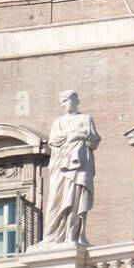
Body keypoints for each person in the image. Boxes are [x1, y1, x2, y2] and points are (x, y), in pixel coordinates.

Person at [44, 90, 101, 246]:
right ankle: (52, 236)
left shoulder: (85, 118)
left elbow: (94, 139)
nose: (63, 104)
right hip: (61, 167)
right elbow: (53, 140)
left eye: (66, 100)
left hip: (80, 167)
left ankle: (72, 235)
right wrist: (73, 134)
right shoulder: (58, 122)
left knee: (76, 200)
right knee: (56, 200)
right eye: (61, 101)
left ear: (75, 100)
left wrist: (80, 136)